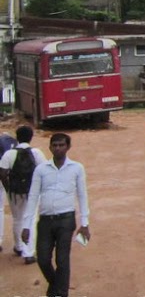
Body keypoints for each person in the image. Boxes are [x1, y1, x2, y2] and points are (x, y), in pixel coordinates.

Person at [21, 133, 90, 297]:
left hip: (66, 219)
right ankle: (55, 286)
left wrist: (84, 223)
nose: (58, 148)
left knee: (62, 259)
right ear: (50, 147)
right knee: (43, 258)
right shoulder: (41, 169)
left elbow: (82, 195)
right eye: (55, 145)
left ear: (68, 147)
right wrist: (26, 225)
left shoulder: (76, 168)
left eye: (61, 145)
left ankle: (61, 293)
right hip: (45, 220)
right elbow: (32, 196)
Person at [1, 126, 48, 264]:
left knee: (17, 218)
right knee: (31, 219)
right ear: (31, 137)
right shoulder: (36, 153)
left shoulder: (9, 154)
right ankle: (28, 253)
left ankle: (18, 246)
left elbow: (3, 174)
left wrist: (8, 189)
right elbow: (44, 171)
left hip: (14, 192)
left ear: (17, 137)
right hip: (31, 191)